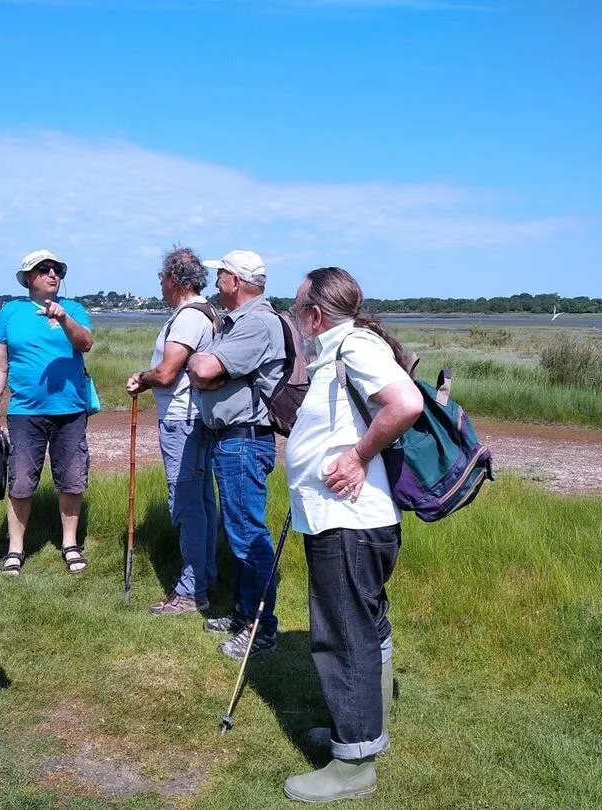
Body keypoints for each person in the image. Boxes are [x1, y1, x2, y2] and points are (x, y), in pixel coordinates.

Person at [282, 267, 424, 804]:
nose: (295, 317)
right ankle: (365, 731)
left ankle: (354, 765)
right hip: (349, 521)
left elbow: (405, 403)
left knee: (343, 636)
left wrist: (358, 456)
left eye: (297, 308)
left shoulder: (354, 346)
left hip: (350, 522)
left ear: (315, 314)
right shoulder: (340, 349)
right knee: (364, 628)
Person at [187, 249, 286, 659]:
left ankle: (260, 629)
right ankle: (245, 614)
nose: (216, 280)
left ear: (237, 281)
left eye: (222, 273)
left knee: (248, 536)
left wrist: (203, 368)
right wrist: (206, 369)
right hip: (233, 440)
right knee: (240, 533)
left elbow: (203, 370)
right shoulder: (239, 321)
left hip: (244, 440)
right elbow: (204, 370)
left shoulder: (257, 322)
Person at [0, 249, 95, 575]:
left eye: (57, 269)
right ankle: (15, 549)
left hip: (70, 410)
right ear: (28, 277)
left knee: (72, 480)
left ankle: (70, 544)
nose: (52, 274)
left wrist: (64, 319)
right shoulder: (10, 312)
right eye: (44, 269)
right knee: (20, 482)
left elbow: (85, 343)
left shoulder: (73, 309)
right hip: (24, 412)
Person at [126, 246, 218, 615]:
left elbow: (166, 374)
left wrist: (141, 378)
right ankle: (205, 579)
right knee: (201, 503)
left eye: (162, 277)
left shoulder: (189, 317)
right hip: (194, 419)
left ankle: (192, 591)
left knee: (185, 505)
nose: (160, 285)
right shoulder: (202, 312)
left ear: (175, 280)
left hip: (184, 420)